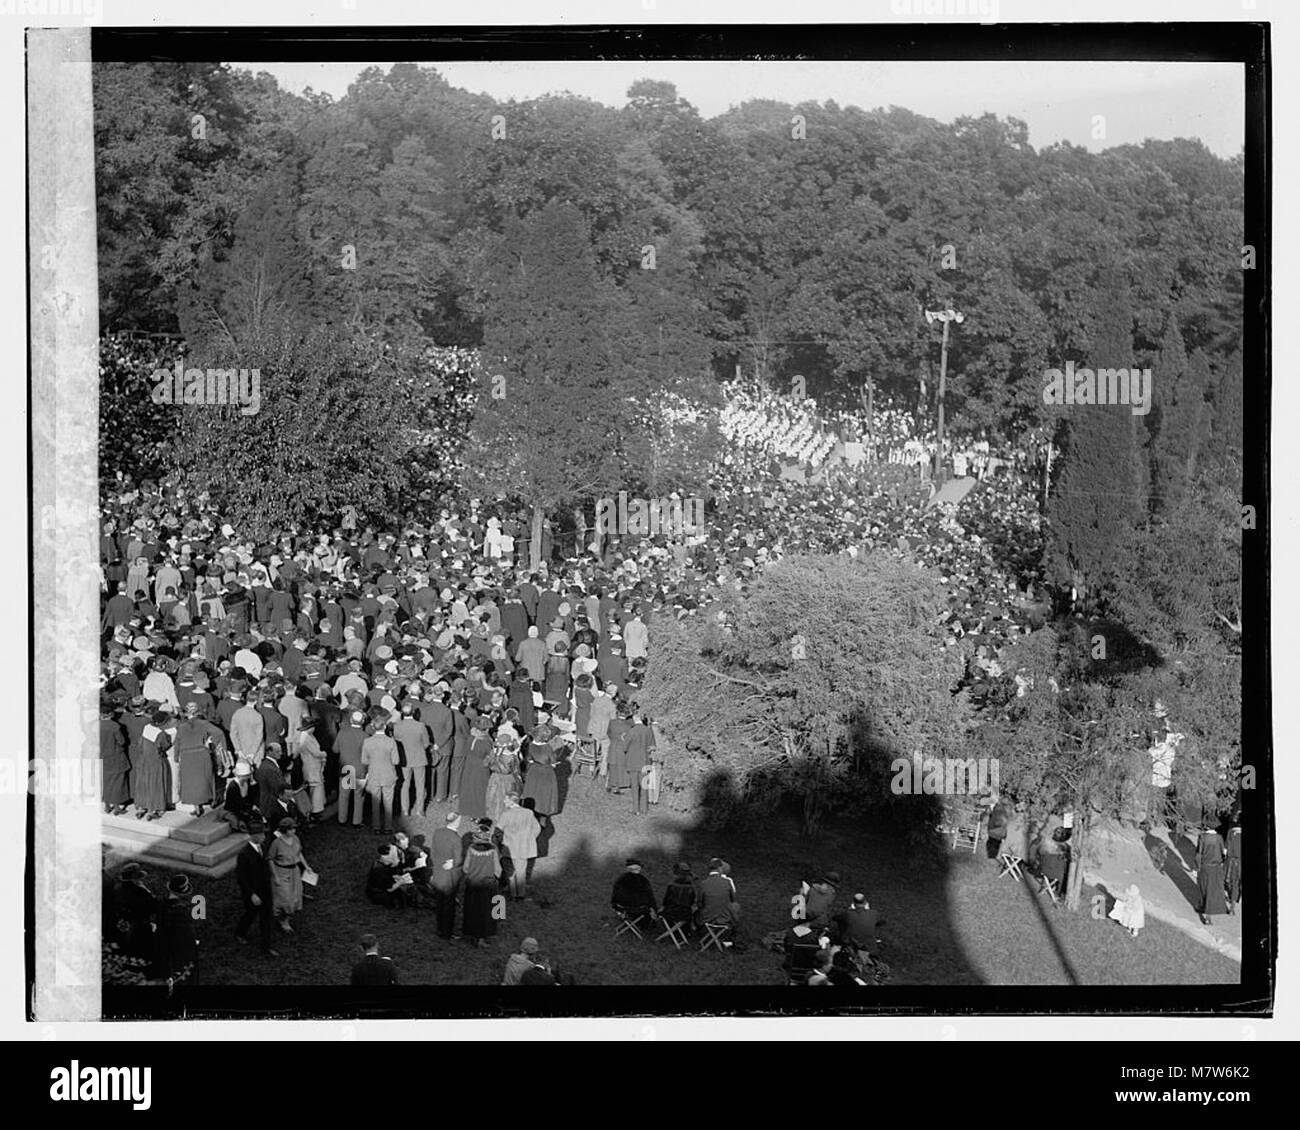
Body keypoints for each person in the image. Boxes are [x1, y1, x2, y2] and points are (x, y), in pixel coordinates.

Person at [234, 835, 278, 956]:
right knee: (251, 914)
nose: (264, 837)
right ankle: (240, 932)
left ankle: (266, 947)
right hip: (253, 891)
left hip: (265, 890)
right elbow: (241, 877)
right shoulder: (244, 854)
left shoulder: (263, 848)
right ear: (255, 836)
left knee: (266, 919)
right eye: (262, 835)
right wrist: (252, 894)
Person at [462, 819, 502, 947]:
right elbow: (498, 870)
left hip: (472, 884)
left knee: (472, 910)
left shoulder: (470, 849)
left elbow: (465, 868)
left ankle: (472, 934)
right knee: (486, 911)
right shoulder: (493, 850)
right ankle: (482, 938)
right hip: (488, 885)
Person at [153, 873, 199, 985]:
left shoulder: (161, 902)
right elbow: (186, 932)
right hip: (179, 945)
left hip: (162, 940)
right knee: (184, 969)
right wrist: (194, 942)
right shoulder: (181, 910)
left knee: (167, 964)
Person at [267, 817, 308, 934]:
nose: (293, 831)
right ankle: (282, 920)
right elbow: (270, 859)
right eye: (290, 829)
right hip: (282, 872)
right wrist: (275, 876)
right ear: (284, 830)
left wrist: (307, 866)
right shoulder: (277, 843)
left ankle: (286, 920)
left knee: (295, 897)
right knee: (285, 899)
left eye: (294, 829)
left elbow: (299, 853)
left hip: (294, 871)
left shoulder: (295, 839)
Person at [360, 716, 400, 834]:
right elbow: (396, 761)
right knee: (388, 802)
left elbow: (364, 760)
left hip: (374, 774)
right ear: (385, 726)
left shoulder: (367, 741)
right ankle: (388, 827)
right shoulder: (391, 741)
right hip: (389, 775)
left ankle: (376, 826)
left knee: (375, 802)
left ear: (373, 727)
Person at [429, 812, 465, 940]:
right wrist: (453, 863)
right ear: (455, 822)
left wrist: (439, 864)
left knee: (439, 903)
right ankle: (447, 932)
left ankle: (439, 928)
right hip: (450, 877)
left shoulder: (437, 832)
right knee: (449, 905)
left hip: (438, 873)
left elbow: (433, 852)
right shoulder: (456, 839)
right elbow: (459, 859)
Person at [393, 699, 431, 819]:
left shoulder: (397, 726)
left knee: (405, 784)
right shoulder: (420, 726)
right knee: (420, 785)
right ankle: (420, 811)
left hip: (404, 759)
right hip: (419, 757)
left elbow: (397, 741)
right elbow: (426, 743)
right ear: (413, 713)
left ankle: (405, 810)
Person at [498, 793, 540, 900]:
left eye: (506, 799)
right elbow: (537, 829)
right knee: (521, 871)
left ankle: (512, 894)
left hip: (509, 848)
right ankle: (520, 895)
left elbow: (498, 831)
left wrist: (499, 843)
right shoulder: (529, 813)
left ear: (512, 801)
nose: (504, 801)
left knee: (510, 873)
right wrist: (529, 839)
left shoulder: (505, 815)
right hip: (523, 848)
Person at [698, 858, 742, 949]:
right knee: (735, 907)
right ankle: (732, 935)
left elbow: (699, 903)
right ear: (719, 868)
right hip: (724, 919)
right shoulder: (727, 882)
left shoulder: (703, 884)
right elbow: (733, 900)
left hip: (707, 919)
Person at [366, 844, 417, 908]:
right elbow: (390, 889)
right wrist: (401, 882)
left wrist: (396, 877)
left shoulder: (379, 864)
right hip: (380, 895)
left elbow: (389, 875)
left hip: (375, 891)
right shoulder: (381, 871)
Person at [1196, 825, 1228, 925]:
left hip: (1205, 866)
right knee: (1213, 890)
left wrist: (1196, 866)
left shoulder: (1202, 837)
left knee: (1204, 888)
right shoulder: (1219, 837)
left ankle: (1205, 913)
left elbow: (1199, 853)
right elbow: (1224, 852)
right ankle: (1207, 911)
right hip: (1216, 867)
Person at [611, 858, 658, 923]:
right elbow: (650, 897)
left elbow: (615, 899)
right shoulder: (643, 880)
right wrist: (653, 908)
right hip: (637, 909)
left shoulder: (620, 880)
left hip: (626, 908)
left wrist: (617, 906)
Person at [661, 861, 698, 932]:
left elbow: (666, 900)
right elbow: (691, 901)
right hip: (685, 914)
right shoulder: (691, 887)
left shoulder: (672, 885)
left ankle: (670, 930)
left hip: (671, 913)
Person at [1224, 820, 1242, 914]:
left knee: (1227, 880)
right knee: (1236, 883)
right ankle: (1232, 907)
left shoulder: (1230, 832)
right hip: (1240, 862)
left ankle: (1230, 896)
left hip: (1230, 861)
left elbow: (1225, 850)